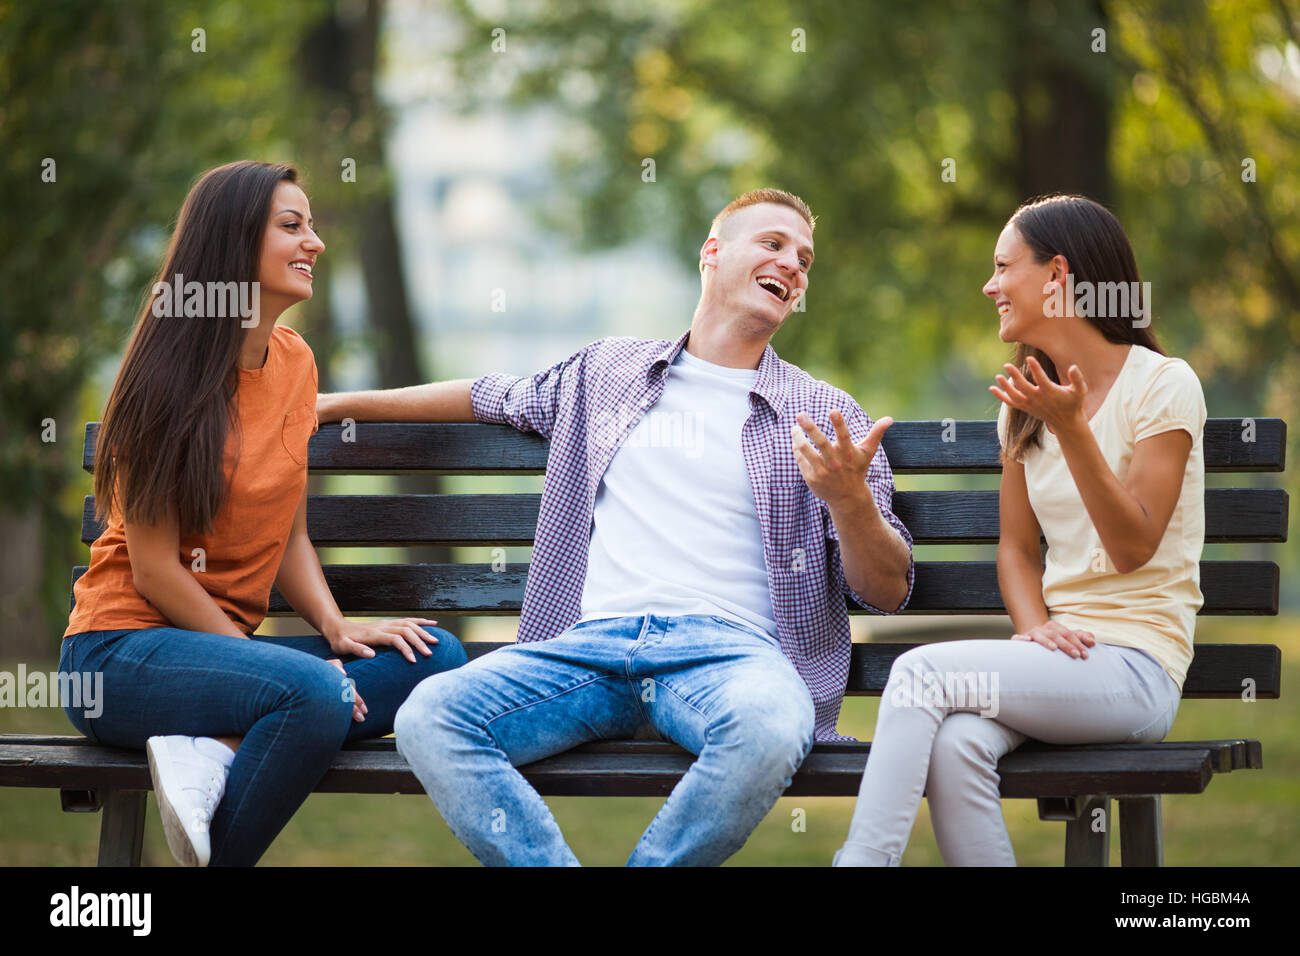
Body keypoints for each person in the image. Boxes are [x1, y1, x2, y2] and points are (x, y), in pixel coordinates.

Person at [315, 188, 915, 865]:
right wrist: (340, 402)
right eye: (773, 244)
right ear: (712, 253)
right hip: (588, 652)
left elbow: (887, 590)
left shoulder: (825, 414)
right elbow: (486, 395)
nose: (794, 265)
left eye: (805, 259)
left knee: (773, 729)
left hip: (729, 659)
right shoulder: (607, 371)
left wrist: (849, 500)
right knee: (431, 716)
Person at [59, 161, 467, 867]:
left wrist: (338, 628)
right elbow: (156, 573)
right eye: (291, 226)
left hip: (220, 664)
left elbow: (290, 531)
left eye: (311, 225)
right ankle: (233, 748)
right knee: (310, 693)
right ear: (232, 242)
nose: (315, 242)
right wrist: (266, 672)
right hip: (119, 657)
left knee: (432, 658)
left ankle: (212, 747)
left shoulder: (295, 362)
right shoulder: (165, 381)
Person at [833, 194, 1205, 866]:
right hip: (1059, 664)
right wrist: (1033, 626)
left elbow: (1132, 546)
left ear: (1057, 275)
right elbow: (1015, 549)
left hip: (1137, 671)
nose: (990, 285)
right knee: (956, 744)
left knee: (919, 677)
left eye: (1003, 266)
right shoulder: (1024, 410)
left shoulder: (1164, 386)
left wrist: (1075, 431)